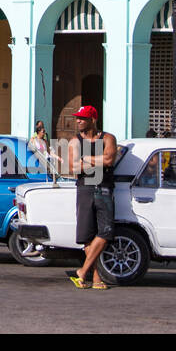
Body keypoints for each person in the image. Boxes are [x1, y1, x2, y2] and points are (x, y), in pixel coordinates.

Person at [69, 105, 117, 291]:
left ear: (93, 120)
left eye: (82, 118)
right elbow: (72, 168)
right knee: (87, 235)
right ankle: (95, 277)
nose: (78, 120)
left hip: (104, 188)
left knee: (105, 232)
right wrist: (97, 159)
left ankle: (83, 271)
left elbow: (109, 161)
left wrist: (85, 160)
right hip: (84, 188)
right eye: (77, 118)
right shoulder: (75, 140)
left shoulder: (108, 138)